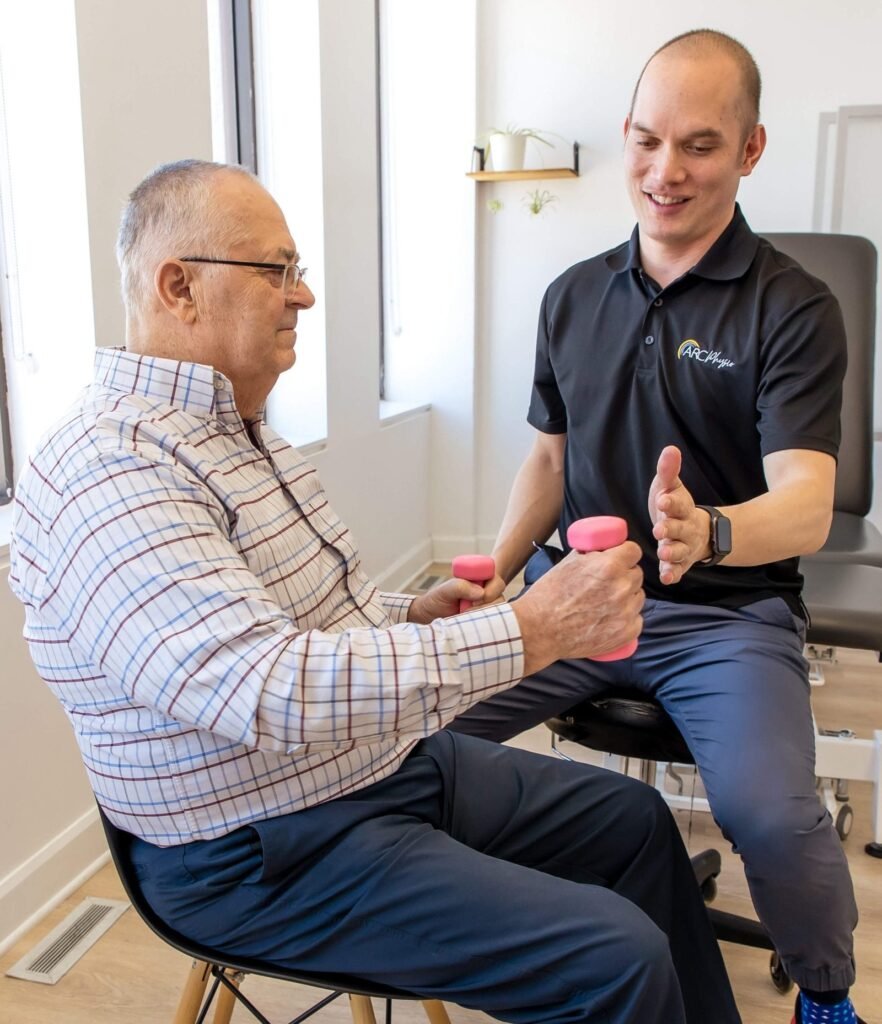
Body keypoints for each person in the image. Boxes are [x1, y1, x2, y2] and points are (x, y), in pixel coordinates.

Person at [7, 158, 740, 1024]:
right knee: (615, 960)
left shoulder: (240, 435)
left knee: (637, 822)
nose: (303, 296)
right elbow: (261, 684)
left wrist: (409, 613)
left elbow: (282, 621)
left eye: (297, 271)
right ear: (180, 287)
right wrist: (532, 631)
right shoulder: (114, 468)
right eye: (277, 270)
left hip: (372, 769)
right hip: (257, 848)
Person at [486, 28, 865, 1024]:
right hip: (574, 604)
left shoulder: (795, 307)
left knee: (773, 820)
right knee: (408, 721)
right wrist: (499, 574)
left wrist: (717, 532)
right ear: (624, 138)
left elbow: (808, 500)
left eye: (699, 145)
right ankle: (508, 924)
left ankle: (826, 997)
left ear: (750, 151)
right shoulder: (570, 295)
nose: (664, 171)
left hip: (727, 620)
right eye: (648, 140)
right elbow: (548, 459)